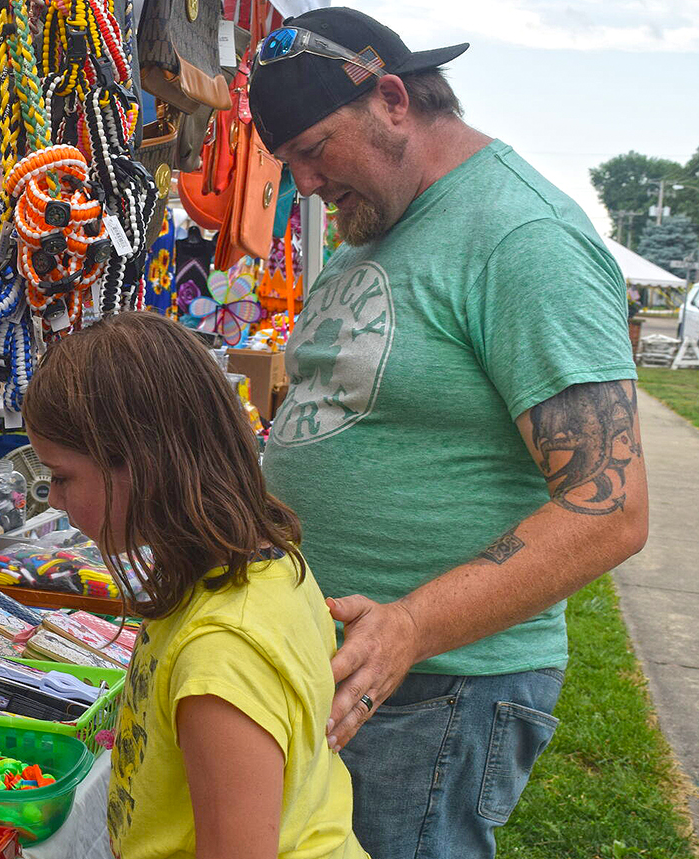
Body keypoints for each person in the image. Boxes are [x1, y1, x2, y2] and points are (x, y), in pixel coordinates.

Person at [247, 8, 649, 858]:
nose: (306, 185)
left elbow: (609, 506)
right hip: (349, 664)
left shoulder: (522, 236)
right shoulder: (374, 227)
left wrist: (411, 626)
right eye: (289, 166)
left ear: (392, 98)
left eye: (315, 152)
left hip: (437, 688)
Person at [23, 312, 368, 859]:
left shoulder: (222, 653)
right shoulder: (256, 564)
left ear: (144, 464)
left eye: (61, 477)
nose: (56, 501)